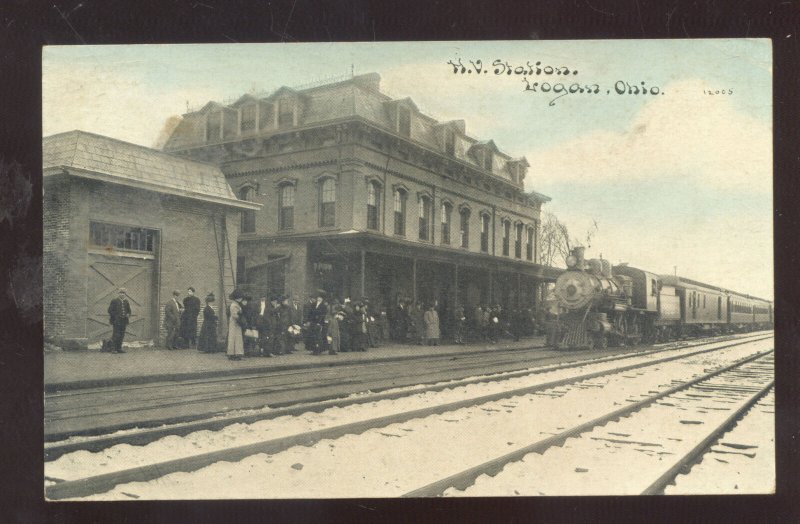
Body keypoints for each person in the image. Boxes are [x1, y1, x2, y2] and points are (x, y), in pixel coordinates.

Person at [107, 288, 131, 353]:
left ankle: (119, 348)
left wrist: (128, 314)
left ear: (125, 294)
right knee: (116, 334)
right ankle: (113, 349)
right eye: (121, 293)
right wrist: (116, 316)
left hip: (124, 321)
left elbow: (129, 310)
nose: (122, 294)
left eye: (123, 293)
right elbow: (109, 310)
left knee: (122, 334)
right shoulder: (114, 301)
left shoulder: (126, 301)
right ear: (118, 294)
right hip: (116, 321)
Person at [227, 290, 246, 360]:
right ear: (237, 298)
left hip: (236, 324)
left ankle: (235, 353)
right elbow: (234, 315)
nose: (241, 299)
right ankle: (233, 353)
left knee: (236, 338)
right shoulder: (234, 305)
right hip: (235, 323)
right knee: (234, 338)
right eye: (240, 297)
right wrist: (241, 318)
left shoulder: (236, 304)